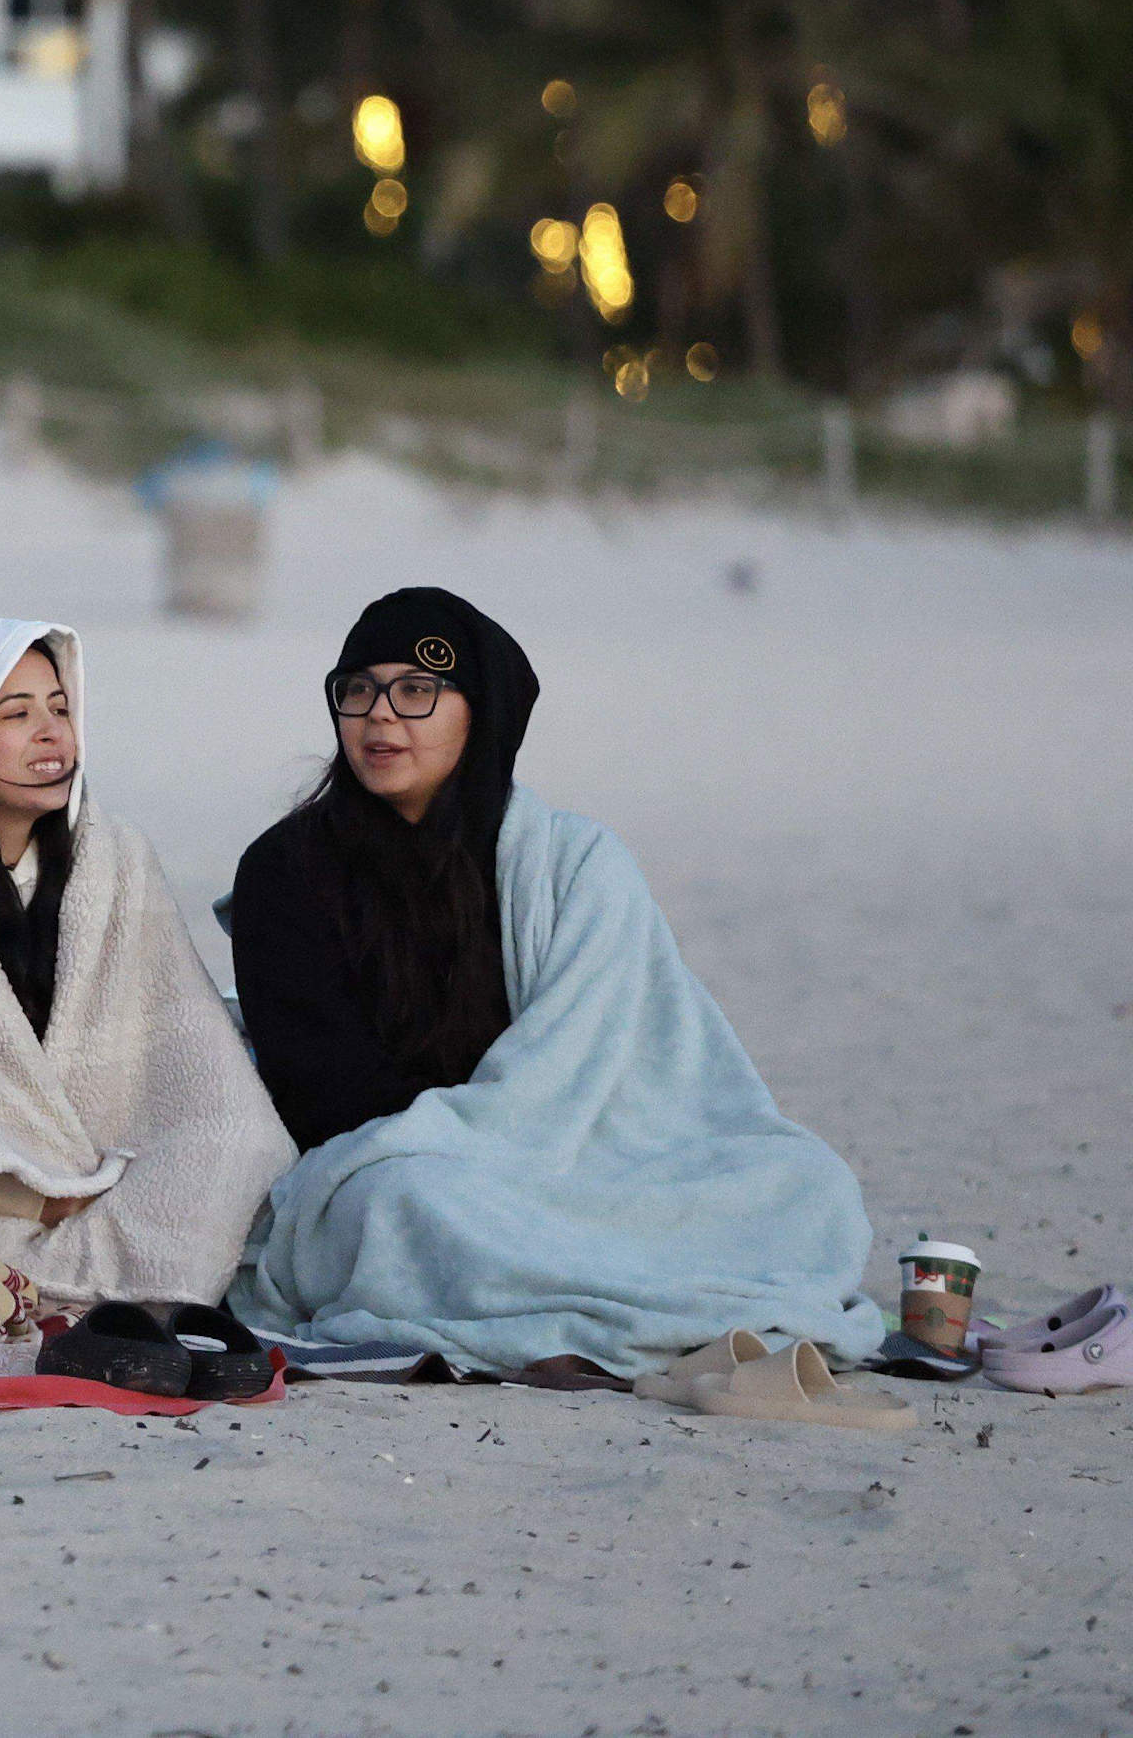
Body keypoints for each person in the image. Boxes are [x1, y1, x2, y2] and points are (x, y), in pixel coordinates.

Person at [224, 586, 883, 1376]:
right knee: (406, 1207)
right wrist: (483, 1150)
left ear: (482, 712)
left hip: (592, 1161)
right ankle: (598, 1296)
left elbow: (628, 1063)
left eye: (417, 691)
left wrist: (543, 1162)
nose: (380, 718)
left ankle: (573, 1286)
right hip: (413, 1165)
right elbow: (320, 1090)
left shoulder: (574, 864)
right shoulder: (286, 872)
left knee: (809, 1185)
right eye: (358, 691)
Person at [0, 619, 294, 1308]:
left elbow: (187, 1047)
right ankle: (70, 1280)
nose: (51, 732)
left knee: (242, 1141)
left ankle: (82, 1280)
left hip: (112, 1171)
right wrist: (29, 1192)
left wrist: (99, 1177)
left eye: (60, 707)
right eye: (16, 714)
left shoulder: (116, 851)